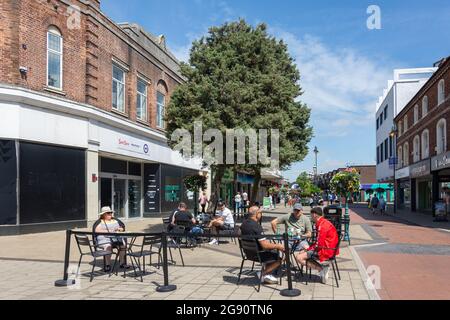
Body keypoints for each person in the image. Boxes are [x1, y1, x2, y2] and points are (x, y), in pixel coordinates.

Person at [240, 206, 285, 284]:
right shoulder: (256, 226)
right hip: (258, 255)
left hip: (247, 253)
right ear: (257, 214)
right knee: (281, 257)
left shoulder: (243, 224)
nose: (261, 215)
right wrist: (279, 246)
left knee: (272, 251)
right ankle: (263, 273)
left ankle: (267, 275)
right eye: (261, 213)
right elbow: (265, 246)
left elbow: (239, 235)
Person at [295, 207, 340, 284]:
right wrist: (308, 248)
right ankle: (323, 268)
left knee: (299, 257)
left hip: (325, 250)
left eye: (311, 215)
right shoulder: (324, 222)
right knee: (302, 252)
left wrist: (308, 249)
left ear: (315, 214)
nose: (310, 216)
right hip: (330, 249)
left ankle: (321, 269)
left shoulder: (321, 226)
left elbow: (319, 244)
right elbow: (318, 242)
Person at [95, 206, 129, 272]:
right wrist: (109, 231)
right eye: (108, 213)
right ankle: (108, 264)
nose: (110, 214)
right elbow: (96, 230)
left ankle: (122, 263)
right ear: (103, 214)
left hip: (115, 239)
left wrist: (120, 229)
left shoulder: (115, 220)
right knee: (108, 246)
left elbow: (122, 227)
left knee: (123, 245)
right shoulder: (100, 222)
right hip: (104, 239)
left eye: (111, 213)